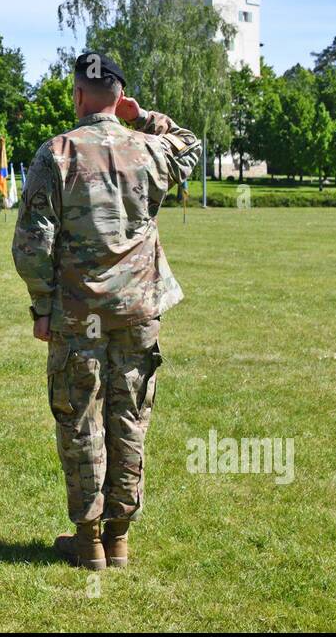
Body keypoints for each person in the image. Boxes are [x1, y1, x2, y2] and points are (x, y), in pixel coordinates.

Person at [11, 52, 200, 571]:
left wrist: (41, 304)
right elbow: (191, 145)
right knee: (129, 417)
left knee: (79, 420)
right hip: (139, 310)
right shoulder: (150, 149)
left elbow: (31, 242)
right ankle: (118, 537)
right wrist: (144, 118)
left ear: (77, 95)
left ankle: (89, 537)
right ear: (118, 96)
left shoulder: (57, 152)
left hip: (78, 312)